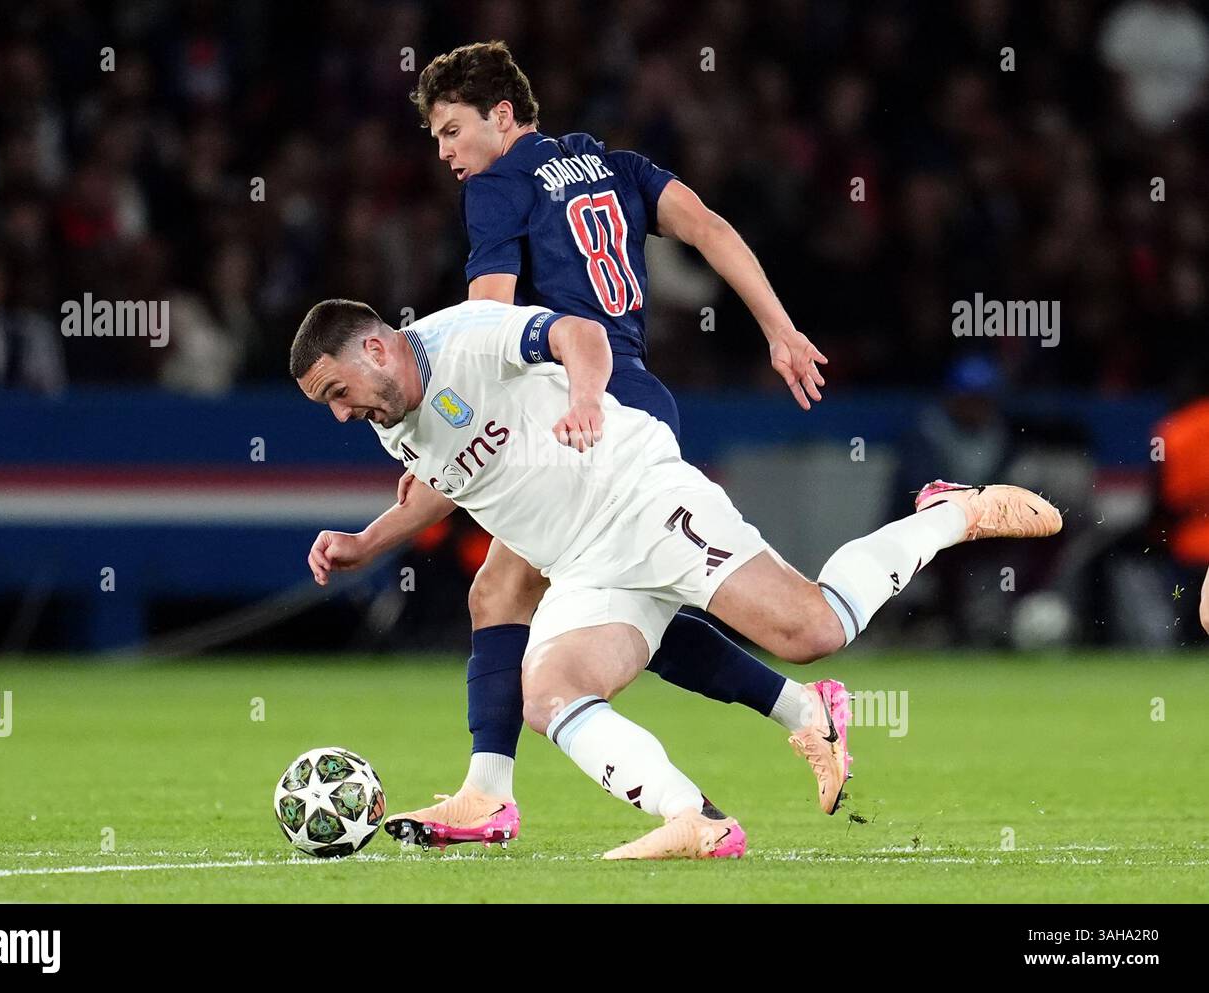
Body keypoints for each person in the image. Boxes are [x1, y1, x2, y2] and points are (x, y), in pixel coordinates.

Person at [292, 297, 1062, 859]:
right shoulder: (391, 417)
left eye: (336, 392)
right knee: (550, 692)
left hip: (643, 499)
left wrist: (587, 397)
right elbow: (451, 475)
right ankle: (695, 818)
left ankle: (950, 515)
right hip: (586, 565)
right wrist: (369, 539)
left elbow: (577, 332)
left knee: (814, 631)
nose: (339, 414)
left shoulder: (464, 336)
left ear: (378, 349)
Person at [378, 40, 833, 847]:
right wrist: (782, 330)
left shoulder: (496, 186)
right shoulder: (618, 167)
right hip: (643, 400)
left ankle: (494, 797)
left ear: (503, 116)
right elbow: (712, 228)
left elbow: (489, 327)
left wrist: (443, 451)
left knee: (528, 596)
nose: (445, 152)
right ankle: (801, 707)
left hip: (578, 411)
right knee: (611, 598)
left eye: (451, 130)